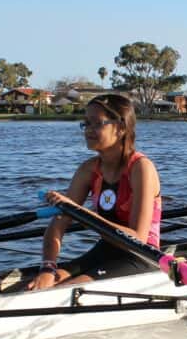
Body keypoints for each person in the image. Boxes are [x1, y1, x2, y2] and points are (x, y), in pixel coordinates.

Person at [27, 94, 161, 289]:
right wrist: (48, 267)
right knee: (42, 285)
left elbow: (138, 238)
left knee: (66, 290)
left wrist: (79, 212)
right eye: (86, 123)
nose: (88, 130)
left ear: (121, 128)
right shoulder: (88, 170)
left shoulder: (141, 168)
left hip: (142, 256)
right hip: (105, 250)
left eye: (97, 124)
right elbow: (57, 225)